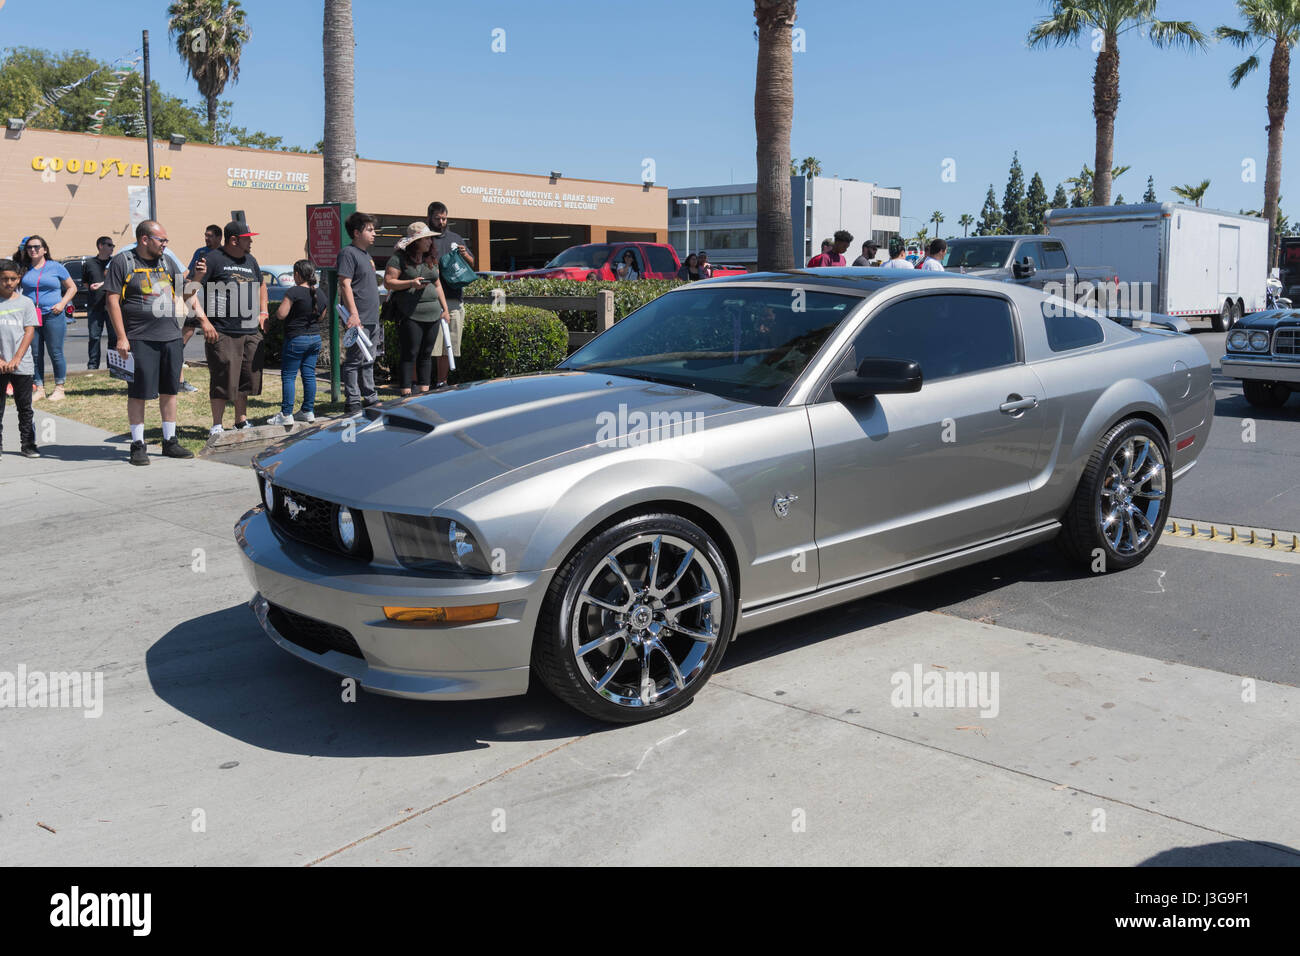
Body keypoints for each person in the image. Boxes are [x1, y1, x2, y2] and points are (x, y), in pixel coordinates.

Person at [105, 219, 212, 465]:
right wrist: (121, 337)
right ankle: (138, 444)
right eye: (161, 240)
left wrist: (197, 278)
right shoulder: (123, 261)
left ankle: (169, 441)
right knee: (139, 392)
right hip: (139, 338)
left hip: (171, 336)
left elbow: (185, 295)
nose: (165, 244)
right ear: (145, 239)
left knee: (169, 390)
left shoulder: (167, 261)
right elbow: (111, 301)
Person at [201, 221, 267, 436]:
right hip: (222, 330)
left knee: (246, 377)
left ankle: (241, 420)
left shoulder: (251, 260)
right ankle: (217, 424)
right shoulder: (213, 259)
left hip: (249, 329)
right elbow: (191, 289)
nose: (251, 241)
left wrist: (264, 311)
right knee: (222, 377)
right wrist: (205, 321)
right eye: (247, 237)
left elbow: (262, 285)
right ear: (234, 240)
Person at [386, 222, 451, 397]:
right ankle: (406, 393)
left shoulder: (430, 259)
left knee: (426, 353)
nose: (430, 241)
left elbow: (437, 284)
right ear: (416, 241)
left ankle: (424, 392)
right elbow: (388, 282)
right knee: (410, 353)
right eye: (426, 238)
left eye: (430, 238)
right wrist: (410, 283)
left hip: (433, 314)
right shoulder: (399, 259)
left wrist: (444, 309)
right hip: (410, 314)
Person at [266, 260, 328, 425]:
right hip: (315, 338)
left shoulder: (293, 291)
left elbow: (281, 314)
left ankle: (286, 414)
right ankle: (308, 410)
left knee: (288, 376)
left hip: (296, 338)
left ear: (298, 274)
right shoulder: (320, 293)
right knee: (309, 375)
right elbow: (321, 317)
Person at [16, 235, 76, 402]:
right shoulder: (24, 268)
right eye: (29, 247)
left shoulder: (55, 267)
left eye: (36, 246)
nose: (33, 250)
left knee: (55, 352)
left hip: (53, 314)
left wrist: (62, 303)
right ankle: (39, 387)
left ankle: (59, 388)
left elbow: (72, 287)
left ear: (45, 249)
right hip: (31, 317)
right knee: (34, 354)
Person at [426, 201, 475, 388]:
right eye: (437, 218)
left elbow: (472, 263)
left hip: (453, 299)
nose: (441, 222)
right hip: (430, 300)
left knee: (449, 345)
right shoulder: (426, 239)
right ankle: (421, 383)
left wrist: (465, 255)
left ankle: (442, 382)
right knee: (431, 346)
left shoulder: (456, 238)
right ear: (429, 218)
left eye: (444, 218)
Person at [338, 211, 382, 414]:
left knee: (369, 358)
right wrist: (354, 315)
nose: (374, 233)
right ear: (356, 233)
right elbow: (345, 284)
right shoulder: (348, 253)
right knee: (355, 359)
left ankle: (370, 395)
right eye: (370, 230)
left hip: (372, 317)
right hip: (357, 318)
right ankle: (353, 399)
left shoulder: (367, 255)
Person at [0, 258, 41, 458]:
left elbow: (29, 332)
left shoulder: (26, 302)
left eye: (13, 279)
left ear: (18, 279)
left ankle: (28, 444)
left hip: (22, 364)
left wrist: (16, 358)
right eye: (4, 279)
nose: (9, 283)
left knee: (25, 407)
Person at [82, 236, 117, 370]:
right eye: (109, 245)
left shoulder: (114, 263)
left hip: (112, 306)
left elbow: (119, 281)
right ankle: (93, 365)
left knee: (113, 337)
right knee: (94, 337)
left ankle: (112, 365)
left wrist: (101, 285)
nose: (112, 248)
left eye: (113, 245)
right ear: (100, 246)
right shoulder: (89, 263)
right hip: (95, 306)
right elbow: (86, 282)